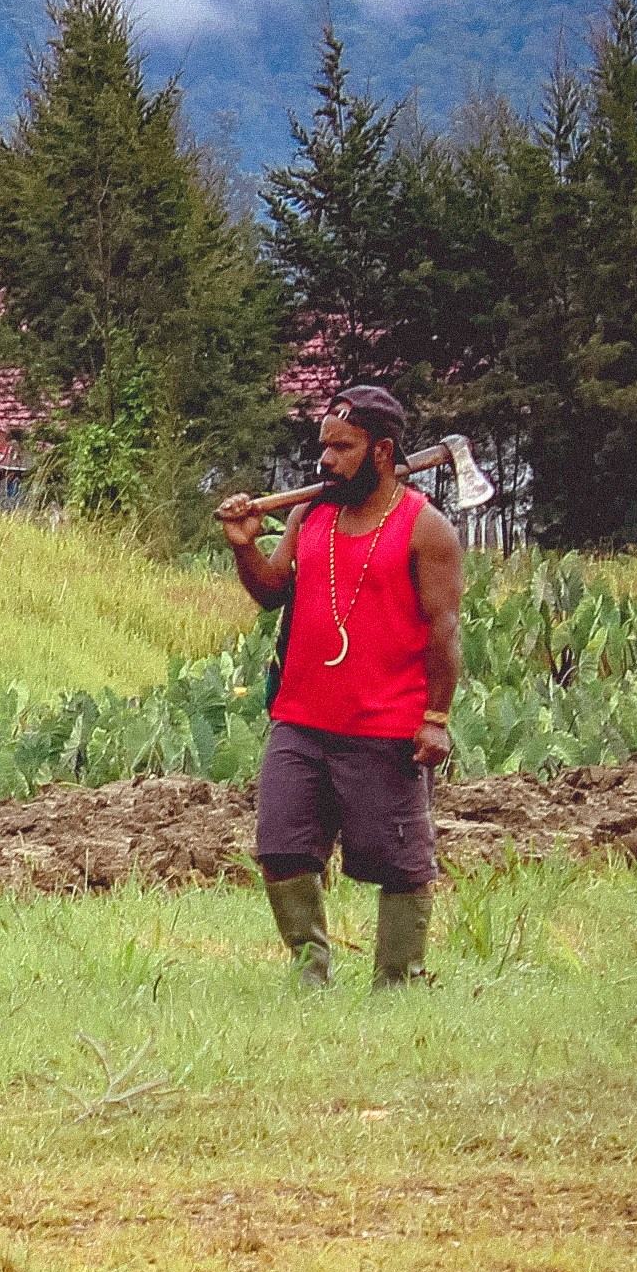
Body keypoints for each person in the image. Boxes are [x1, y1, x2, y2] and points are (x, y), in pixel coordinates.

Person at [213, 382, 463, 988]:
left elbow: (445, 630)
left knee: (400, 864)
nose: (326, 459)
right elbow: (272, 591)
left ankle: (396, 986)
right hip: (300, 718)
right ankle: (310, 976)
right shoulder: (311, 512)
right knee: (280, 849)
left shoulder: (425, 529)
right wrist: (246, 550)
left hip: (385, 725)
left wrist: (436, 717)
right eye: (324, 445)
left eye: (342, 447)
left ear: (381, 450)